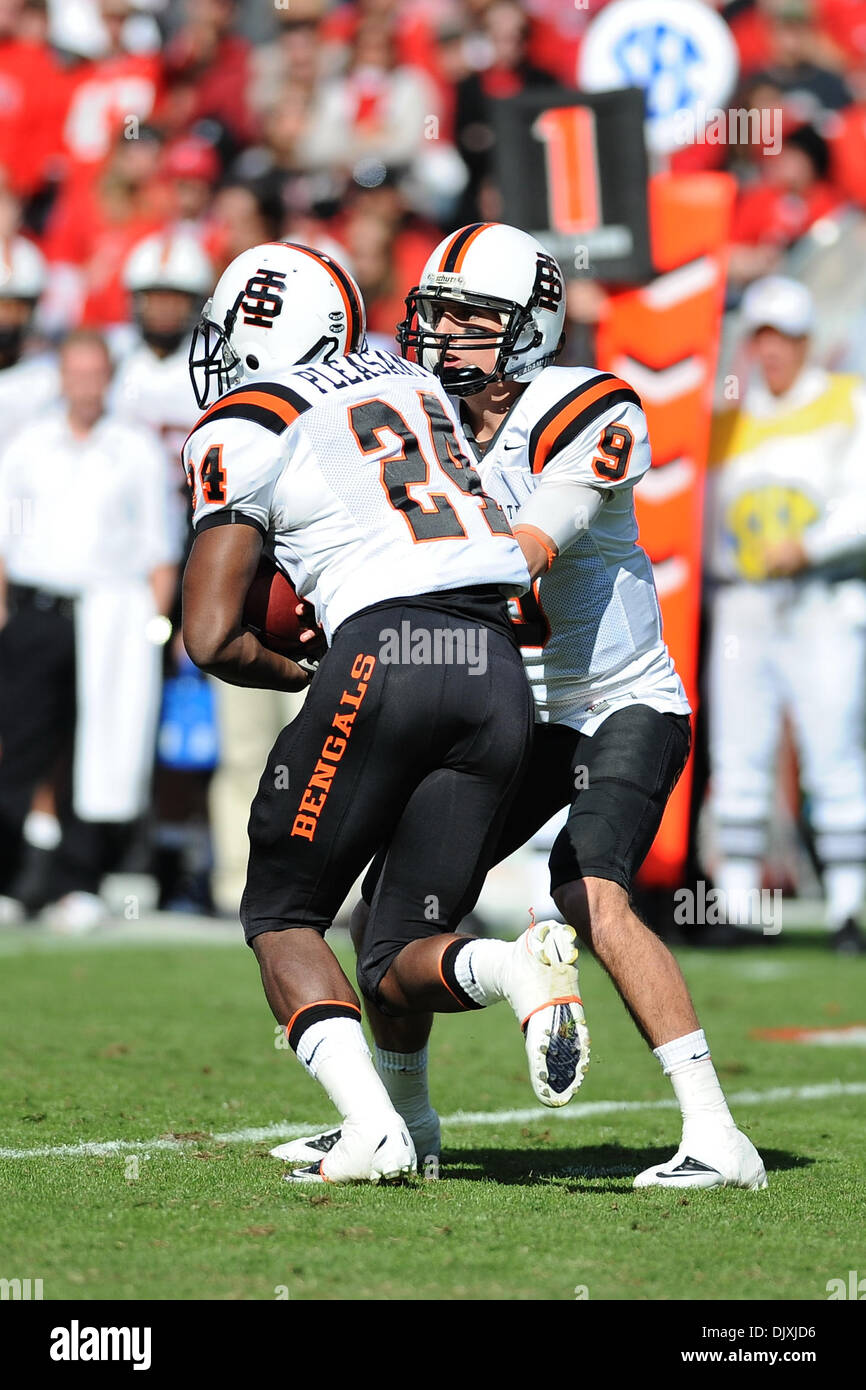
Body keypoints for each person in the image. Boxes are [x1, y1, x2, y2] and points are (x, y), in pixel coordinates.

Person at [281, 223, 768, 1192]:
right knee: (391, 907)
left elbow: (526, 552)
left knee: (587, 888)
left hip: (617, 697)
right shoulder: (419, 413)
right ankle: (405, 1125)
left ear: (533, 327)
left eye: (473, 318)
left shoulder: (585, 403)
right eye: (437, 314)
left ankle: (717, 1135)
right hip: (509, 713)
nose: (447, 334)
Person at [181, 240, 586, 1186]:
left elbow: (208, 637)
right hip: (493, 661)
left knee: (284, 906)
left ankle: (372, 1129)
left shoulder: (243, 419)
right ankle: (516, 969)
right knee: (395, 944)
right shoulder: (415, 384)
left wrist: (296, 665)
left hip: (386, 648)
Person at [706, 275, 866, 955]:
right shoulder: (727, 418)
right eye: (760, 337)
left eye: (783, 338)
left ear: (806, 342)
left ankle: (848, 910)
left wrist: (810, 544)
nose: (770, 351)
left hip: (823, 598)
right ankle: (738, 907)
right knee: (739, 755)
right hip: (745, 601)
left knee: (835, 753)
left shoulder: (846, 400)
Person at [0, 329, 178, 928]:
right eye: (74, 373)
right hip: (37, 613)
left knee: (95, 751)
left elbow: (159, 548)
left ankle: (77, 882)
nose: (83, 385)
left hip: (111, 620)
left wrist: (155, 628)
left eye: (93, 373)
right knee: (19, 747)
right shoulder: (28, 445)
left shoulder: (133, 450)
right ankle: (10, 878)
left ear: (107, 377)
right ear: (61, 378)